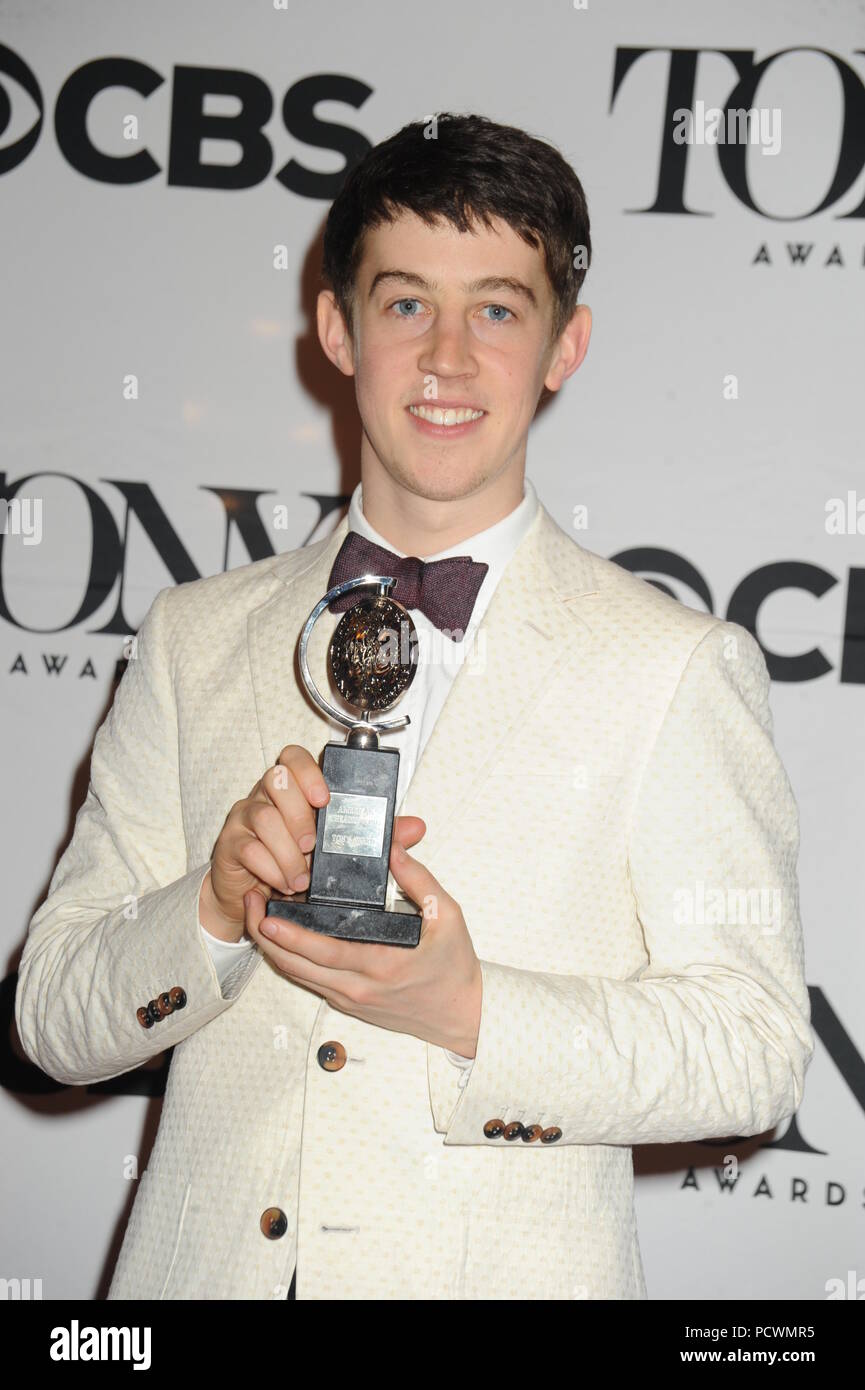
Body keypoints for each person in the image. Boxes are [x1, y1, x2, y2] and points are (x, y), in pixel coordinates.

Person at [15, 112, 814, 1301]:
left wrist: (471, 1009)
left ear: (565, 345)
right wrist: (214, 911)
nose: (447, 357)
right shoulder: (193, 638)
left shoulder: (675, 664)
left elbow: (752, 1054)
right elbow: (51, 1022)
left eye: (496, 308)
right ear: (337, 327)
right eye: (404, 305)